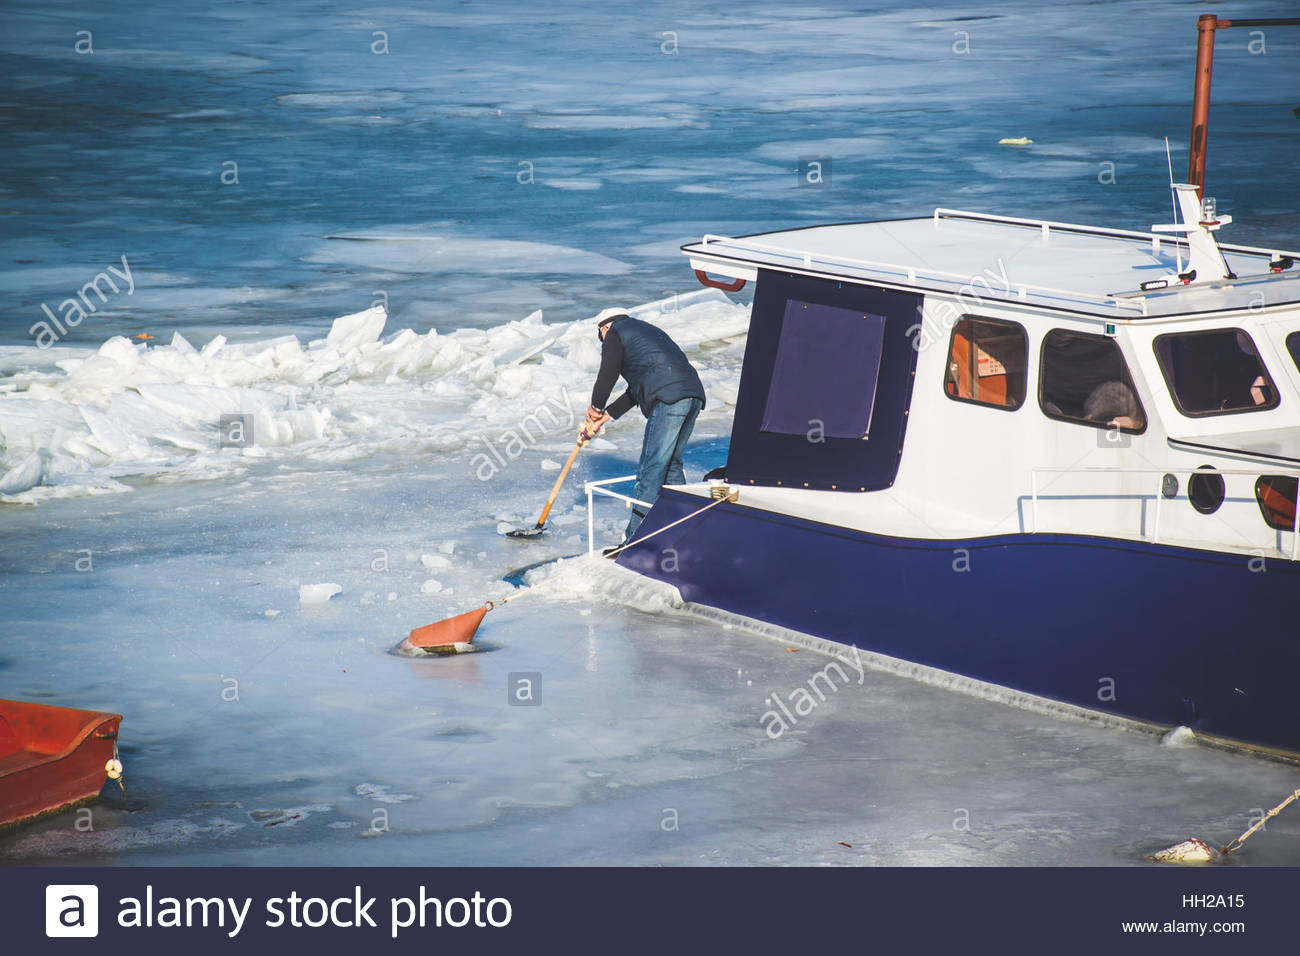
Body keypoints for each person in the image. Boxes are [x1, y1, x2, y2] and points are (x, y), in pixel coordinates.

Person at [582, 307, 706, 544]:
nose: (603, 342)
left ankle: (636, 542)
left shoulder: (615, 332)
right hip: (692, 395)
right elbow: (637, 388)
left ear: (604, 328)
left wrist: (595, 407)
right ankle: (685, 535)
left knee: (651, 469)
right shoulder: (644, 331)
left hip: (669, 400)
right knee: (670, 466)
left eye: (601, 337)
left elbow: (608, 372)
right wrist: (605, 416)